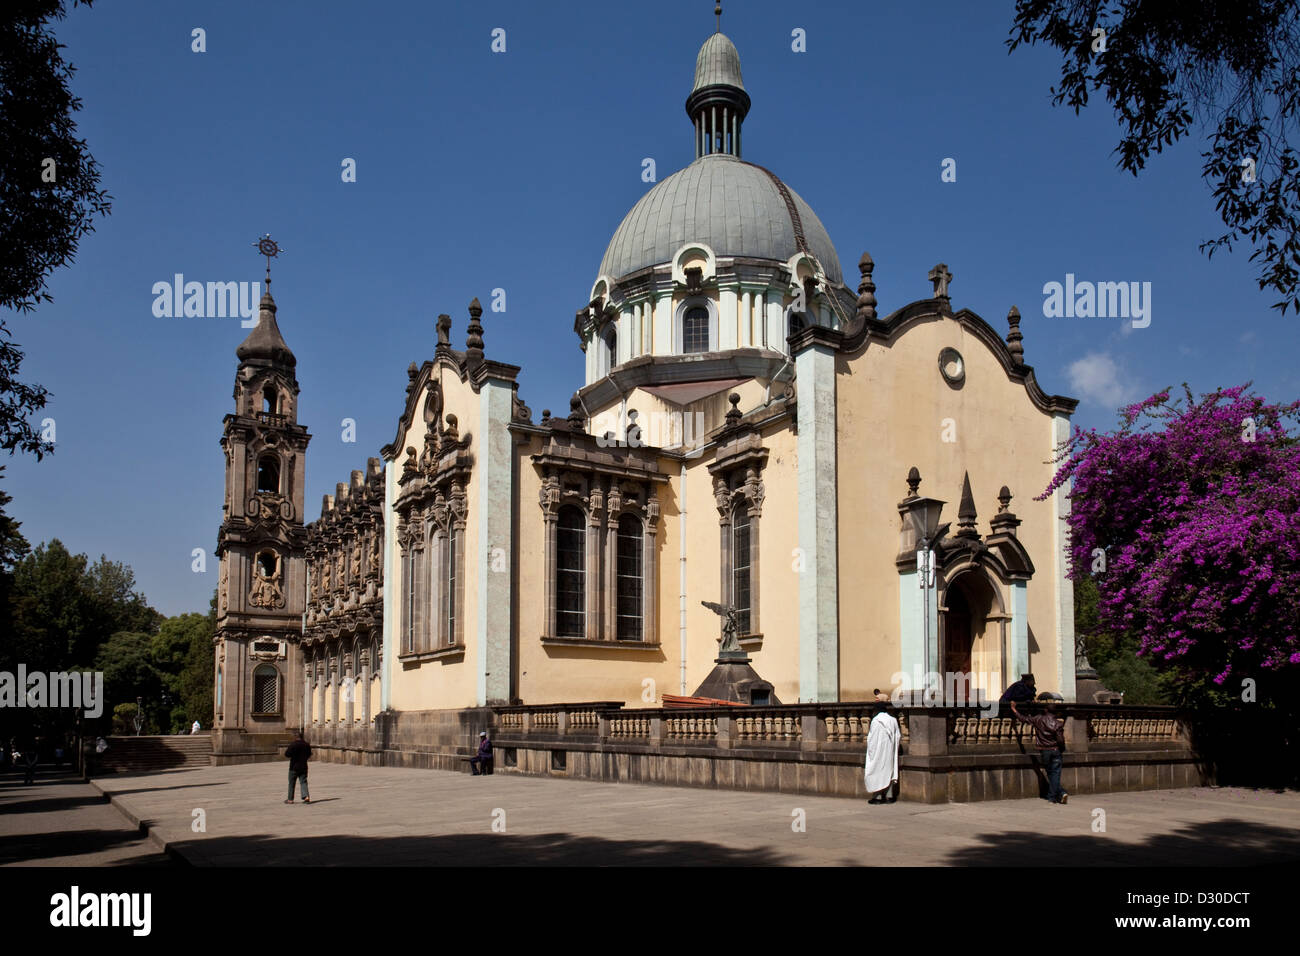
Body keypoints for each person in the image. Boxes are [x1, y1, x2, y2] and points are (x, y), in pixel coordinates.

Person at [1010, 700, 1068, 804]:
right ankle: (1057, 794)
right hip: (1055, 750)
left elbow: (1024, 719)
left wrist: (1014, 709)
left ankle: (1056, 795)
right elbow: (1060, 740)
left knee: (1051, 773)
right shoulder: (1058, 724)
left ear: (1045, 710)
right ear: (1056, 712)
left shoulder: (1038, 719)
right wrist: (1062, 749)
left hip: (1044, 750)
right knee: (1055, 773)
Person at [863, 702, 900, 804]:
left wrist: (871, 752)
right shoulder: (893, 720)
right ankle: (889, 796)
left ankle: (877, 796)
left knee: (877, 771)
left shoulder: (876, 721)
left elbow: (872, 739)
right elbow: (898, 736)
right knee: (889, 771)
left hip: (878, 751)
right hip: (889, 751)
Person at [284, 731, 312, 804]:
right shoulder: (306, 744)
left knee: (292, 783)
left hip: (294, 766)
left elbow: (287, 754)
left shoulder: (293, 745)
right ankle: (306, 797)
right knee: (303, 782)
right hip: (303, 766)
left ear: (295, 737)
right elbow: (309, 754)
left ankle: (290, 799)